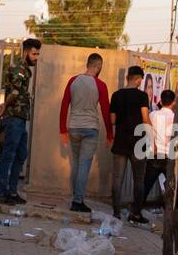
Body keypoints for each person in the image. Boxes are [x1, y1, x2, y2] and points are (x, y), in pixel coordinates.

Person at [59, 53, 111, 213]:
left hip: (73, 127)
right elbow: (105, 110)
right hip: (90, 129)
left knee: (75, 164)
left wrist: (63, 129)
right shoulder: (101, 85)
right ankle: (77, 201)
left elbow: (64, 105)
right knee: (84, 165)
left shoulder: (73, 81)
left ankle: (77, 197)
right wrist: (110, 134)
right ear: (98, 66)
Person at [0, 38, 41, 206]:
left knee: (21, 155)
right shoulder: (18, 69)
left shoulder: (25, 70)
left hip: (21, 118)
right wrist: (4, 106)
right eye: (34, 54)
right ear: (25, 52)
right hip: (14, 117)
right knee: (8, 155)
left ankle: (12, 191)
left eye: (37, 54)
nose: (36, 57)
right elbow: (14, 92)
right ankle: (3, 193)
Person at [109, 65, 151, 223]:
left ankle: (116, 213)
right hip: (138, 143)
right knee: (139, 180)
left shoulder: (116, 95)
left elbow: (112, 120)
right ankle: (136, 213)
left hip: (120, 141)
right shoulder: (142, 96)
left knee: (117, 178)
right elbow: (145, 118)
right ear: (139, 79)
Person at [141, 88, 178, 211]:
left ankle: (137, 209)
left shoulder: (153, 115)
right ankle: (176, 211)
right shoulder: (176, 118)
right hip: (169, 156)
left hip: (155, 155)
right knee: (173, 186)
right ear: (174, 102)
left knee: (146, 185)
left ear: (161, 101)